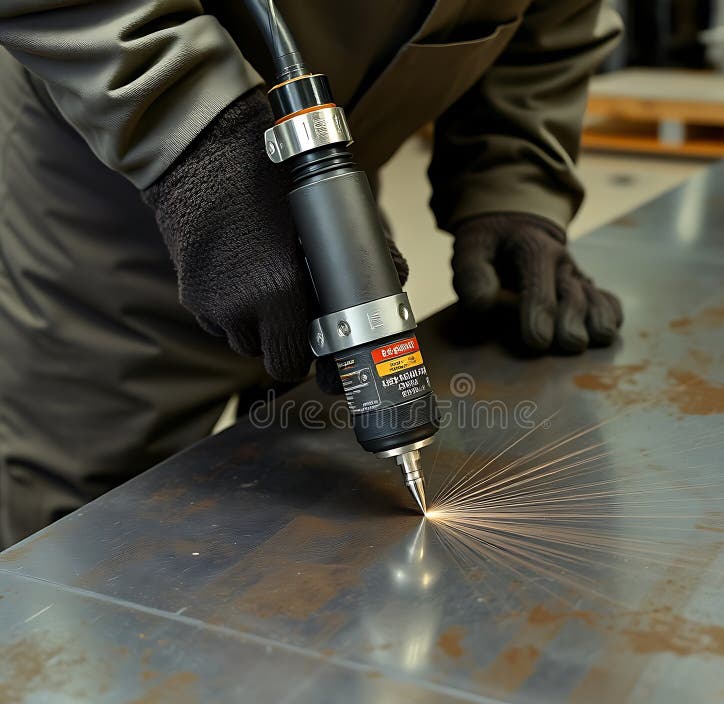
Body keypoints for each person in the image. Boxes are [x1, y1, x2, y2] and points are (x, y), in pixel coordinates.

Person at [0, 1, 624, 548]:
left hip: (324, 180)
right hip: (108, 200)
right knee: (79, 546)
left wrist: (514, 180)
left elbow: (551, 18)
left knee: (303, 509)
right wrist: (193, 138)